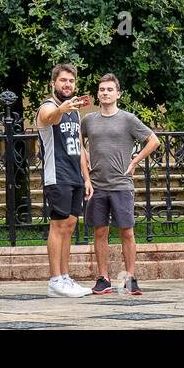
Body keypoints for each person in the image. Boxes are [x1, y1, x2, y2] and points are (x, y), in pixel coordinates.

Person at [81, 73, 159, 295]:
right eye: (102, 89)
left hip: (121, 185)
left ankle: (130, 279)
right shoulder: (88, 121)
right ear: (98, 94)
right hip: (97, 185)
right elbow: (76, 144)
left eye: (109, 90)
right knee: (100, 232)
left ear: (118, 94)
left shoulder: (128, 119)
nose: (105, 93)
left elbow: (153, 140)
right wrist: (86, 173)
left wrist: (135, 161)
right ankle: (103, 278)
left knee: (127, 231)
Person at [35, 63, 92, 298]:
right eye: (63, 81)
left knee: (69, 226)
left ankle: (66, 278)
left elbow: (79, 146)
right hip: (56, 176)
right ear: (53, 84)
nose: (67, 84)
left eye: (71, 81)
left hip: (74, 175)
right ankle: (55, 279)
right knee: (58, 227)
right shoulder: (47, 107)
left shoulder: (75, 111)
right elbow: (49, 118)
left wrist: (86, 178)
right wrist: (62, 108)